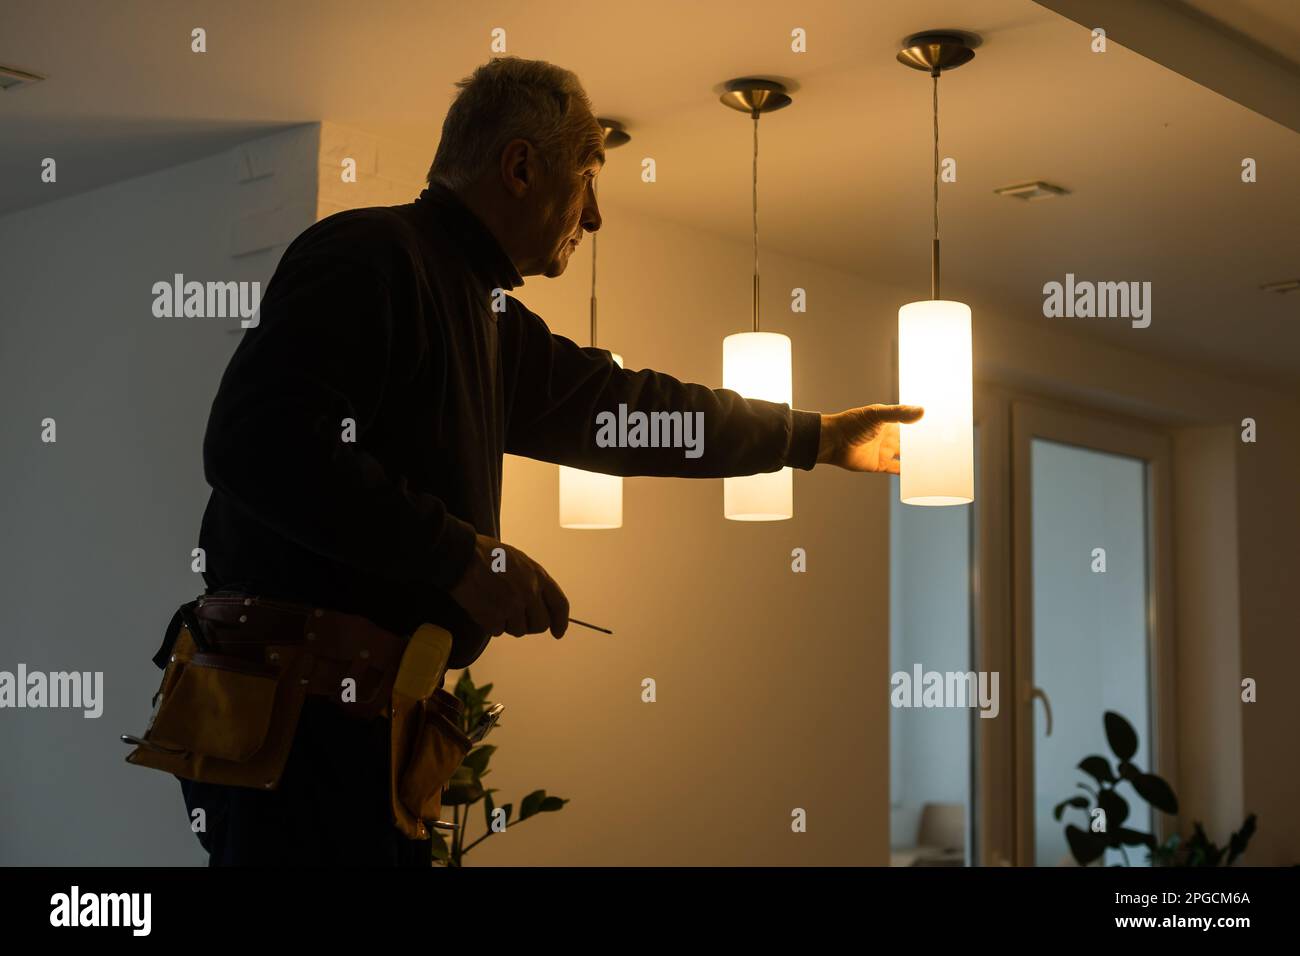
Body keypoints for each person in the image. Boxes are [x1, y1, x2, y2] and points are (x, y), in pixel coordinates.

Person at [180, 56, 923, 865]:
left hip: (353, 727)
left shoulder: (482, 313)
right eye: (588, 175)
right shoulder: (372, 252)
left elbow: (629, 411)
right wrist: (461, 557)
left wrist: (810, 438)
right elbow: (257, 442)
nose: (595, 214)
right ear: (522, 167)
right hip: (303, 726)